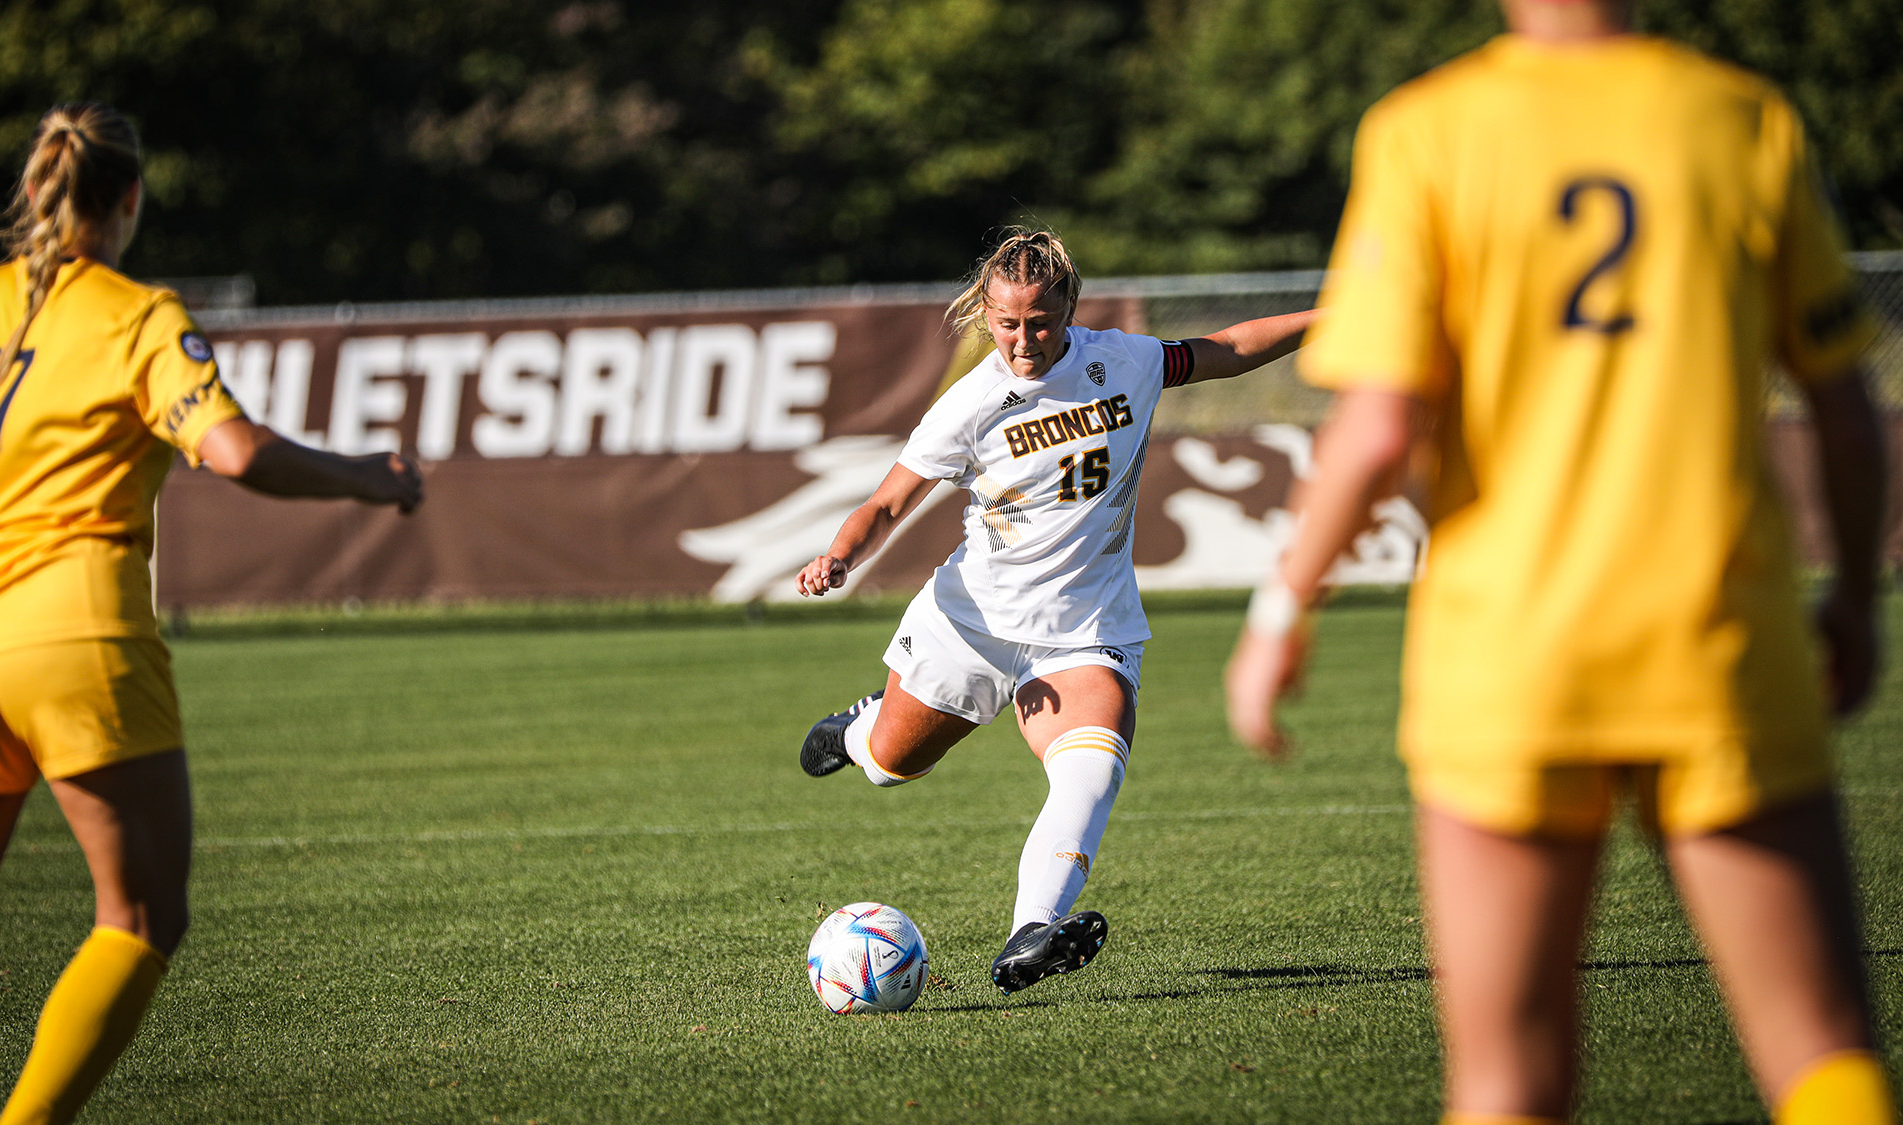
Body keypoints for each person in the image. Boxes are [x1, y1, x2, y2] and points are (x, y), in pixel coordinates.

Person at [1226, 2, 1894, 1122]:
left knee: (1507, 1084)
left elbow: (1378, 427)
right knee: (1819, 1052)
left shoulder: (1425, 129)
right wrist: (1858, 602)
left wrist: (1283, 607)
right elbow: (1843, 405)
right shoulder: (1739, 119)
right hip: (1718, 638)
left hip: (1508, 655)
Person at [0, 103, 421, 1124]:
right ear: (129, 199)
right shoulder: (136, 316)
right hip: (77, 639)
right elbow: (236, 453)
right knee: (138, 917)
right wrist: (369, 477)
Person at [797, 229, 1315, 993]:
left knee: (1092, 769)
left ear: (1070, 305)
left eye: (1040, 321)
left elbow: (1228, 348)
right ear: (985, 312)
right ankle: (862, 727)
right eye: (1006, 322)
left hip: (1085, 627)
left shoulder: (1128, 363)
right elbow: (887, 502)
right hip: (974, 623)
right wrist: (839, 555)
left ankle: (1028, 932)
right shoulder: (971, 403)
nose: (1024, 338)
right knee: (888, 766)